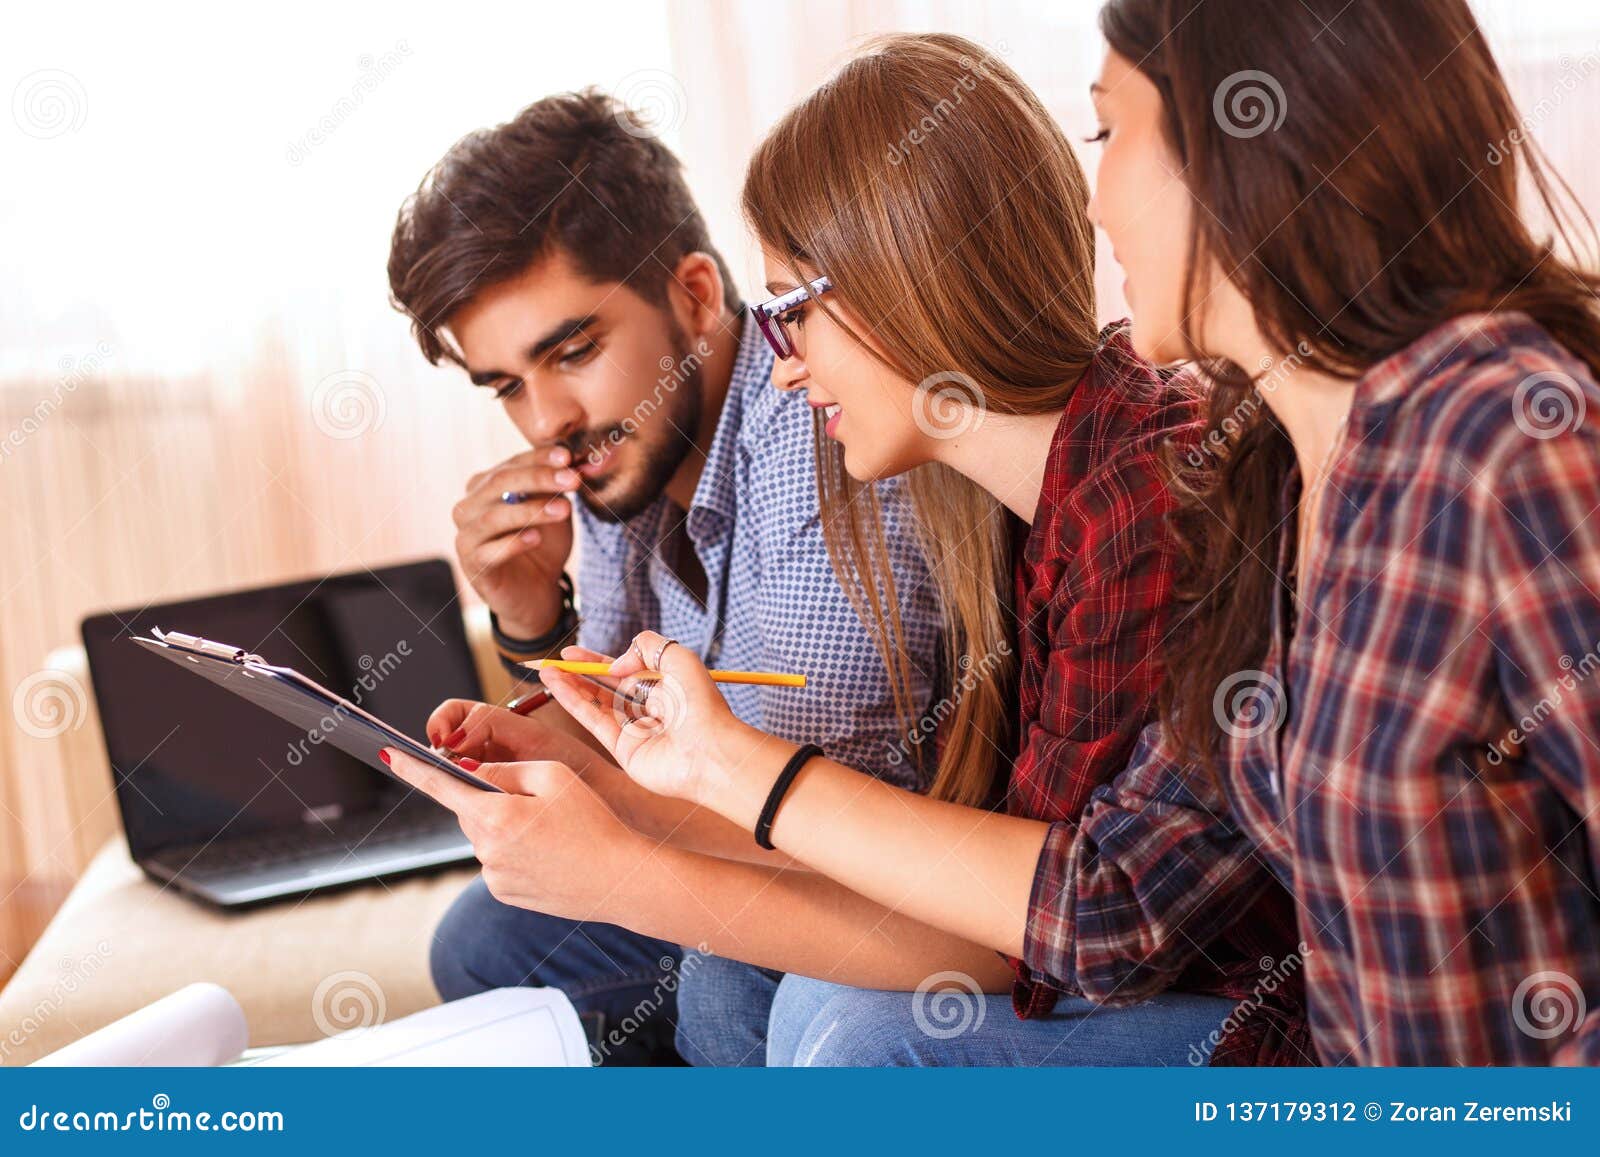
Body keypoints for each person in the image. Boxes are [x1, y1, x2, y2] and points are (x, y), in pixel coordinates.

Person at [385, 34, 1311, 1066]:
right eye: (504, 383)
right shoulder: (1031, 491)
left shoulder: (1120, 485)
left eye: (792, 312)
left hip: (1242, 1000)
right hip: (1072, 938)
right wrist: (584, 727)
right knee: (642, 971)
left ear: (909, 280)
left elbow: (1074, 915)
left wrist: (638, 839)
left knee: (847, 1030)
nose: (784, 367)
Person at [1083, 0, 1600, 1064]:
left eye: (1105, 132)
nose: (1094, 202)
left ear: (1240, 142)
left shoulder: (1504, 440)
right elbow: (1112, 894)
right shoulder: (1280, 476)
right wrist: (731, 775)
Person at [385, 89, 943, 1065]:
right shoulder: (627, 448)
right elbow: (622, 713)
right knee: (483, 942)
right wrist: (527, 622)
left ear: (693, 295)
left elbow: (789, 805)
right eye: (507, 384)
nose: (545, 418)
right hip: (741, 829)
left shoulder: (825, 431)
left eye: (574, 352)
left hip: (862, 858)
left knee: (726, 983)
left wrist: (584, 781)